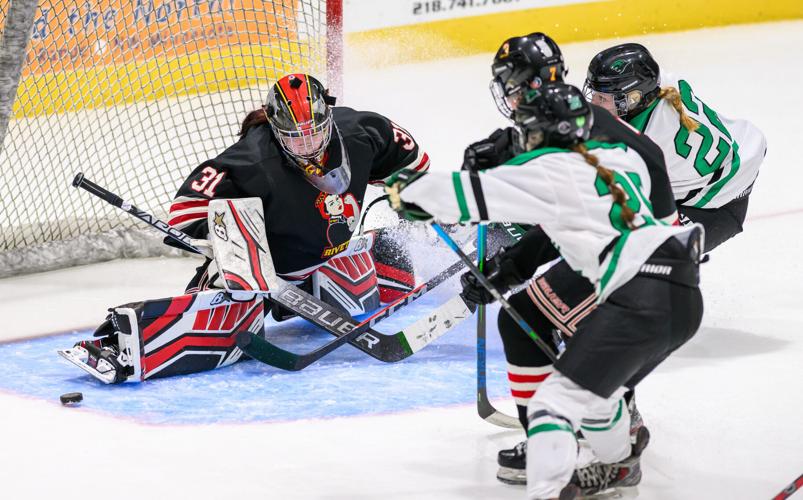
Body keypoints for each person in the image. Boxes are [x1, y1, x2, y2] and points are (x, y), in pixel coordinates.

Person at [387, 83, 704, 499]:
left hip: (641, 293)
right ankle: (620, 461)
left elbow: (461, 197)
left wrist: (402, 191)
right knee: (596, 398)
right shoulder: (616, 155)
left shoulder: (551, 170)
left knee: (552, 405)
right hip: (681, 290)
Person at [61, 73, 430, 383]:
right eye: (294, 137)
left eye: (314, 132)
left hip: (326, 262)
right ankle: (117, 343)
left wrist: (415, 199)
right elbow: (184, 211)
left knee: (383, 276)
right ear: (275, 128)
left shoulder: (360, 130)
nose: (307, 145)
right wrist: (221, 241)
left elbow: (415, 161)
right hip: (261, 277)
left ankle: (346, 269)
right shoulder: (253, 157)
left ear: (328, 117)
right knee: (228, 325)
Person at [462, 33, 676, 485]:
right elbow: (566, 218)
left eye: (511, 84)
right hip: (632, 250)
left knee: (572, 330)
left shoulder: (571, 127)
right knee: (527, 317)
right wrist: (513, 266)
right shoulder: (568, 117)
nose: (508, 94)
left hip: (643, 262)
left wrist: (513, 265)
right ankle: (577, 432)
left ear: (526, 85)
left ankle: (612, 441)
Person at [583, 42, 766, 251]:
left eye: (602, 98)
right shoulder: (662, 86)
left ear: (632, 99)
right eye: (595, 94)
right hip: (738, 150)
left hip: (716, 206)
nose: (593, 102)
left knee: (638, 251)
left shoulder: (647, 141)